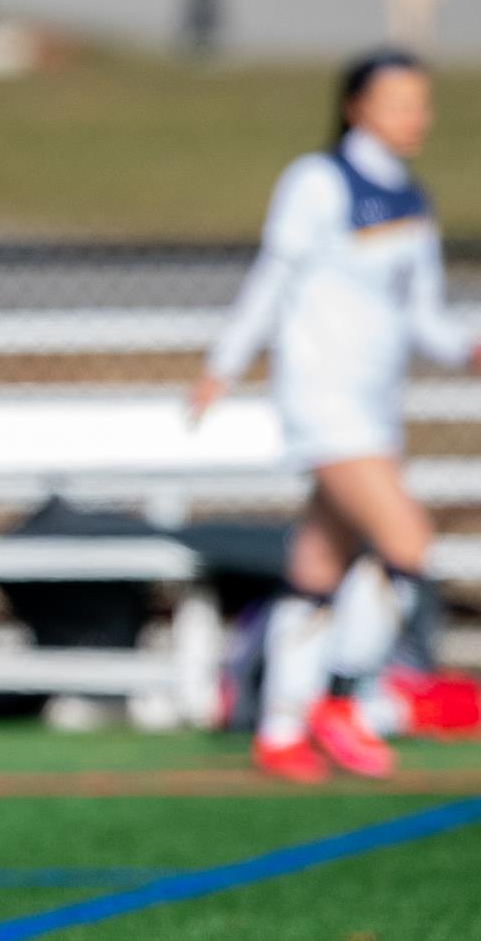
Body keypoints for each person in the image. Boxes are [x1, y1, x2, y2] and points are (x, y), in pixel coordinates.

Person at [190, 49, 478, 784]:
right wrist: (223, 366)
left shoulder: (410, 198)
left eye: (421, 102)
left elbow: (426, 321)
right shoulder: (317, 182)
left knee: (318, 565)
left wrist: (468, 346)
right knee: (407, 542)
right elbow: (273, 278)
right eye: (398, 101)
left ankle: (282, 726)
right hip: (322, 401)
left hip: (376, 408)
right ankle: (344, 696)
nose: (416, 117)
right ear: (357, 106)